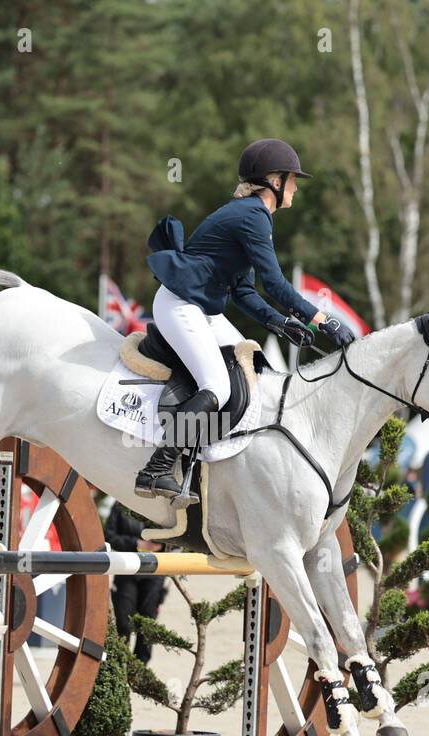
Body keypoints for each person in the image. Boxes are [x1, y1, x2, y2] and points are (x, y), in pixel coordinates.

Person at [137, 138, 354, 501]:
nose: (296, 188)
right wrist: (321, 320)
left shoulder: (250, 214)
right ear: (274, 180)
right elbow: (275, 283)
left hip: (199, 308)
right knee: (218, 387)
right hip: (179, 304)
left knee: (250, 364)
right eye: (292, 179)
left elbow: (243, 291)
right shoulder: (253, 216)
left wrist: (279, 323)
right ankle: (156, 469)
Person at [103, 500, 166, 662]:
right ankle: (119, 666)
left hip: (154, 571)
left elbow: (175, 537)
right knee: (123, 622)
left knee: (147, 625)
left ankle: (140, 672)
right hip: (126, 569)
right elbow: (109, 535)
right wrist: (136, 543)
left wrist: (161, 544)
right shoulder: (119, 505)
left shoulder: (161, 505)